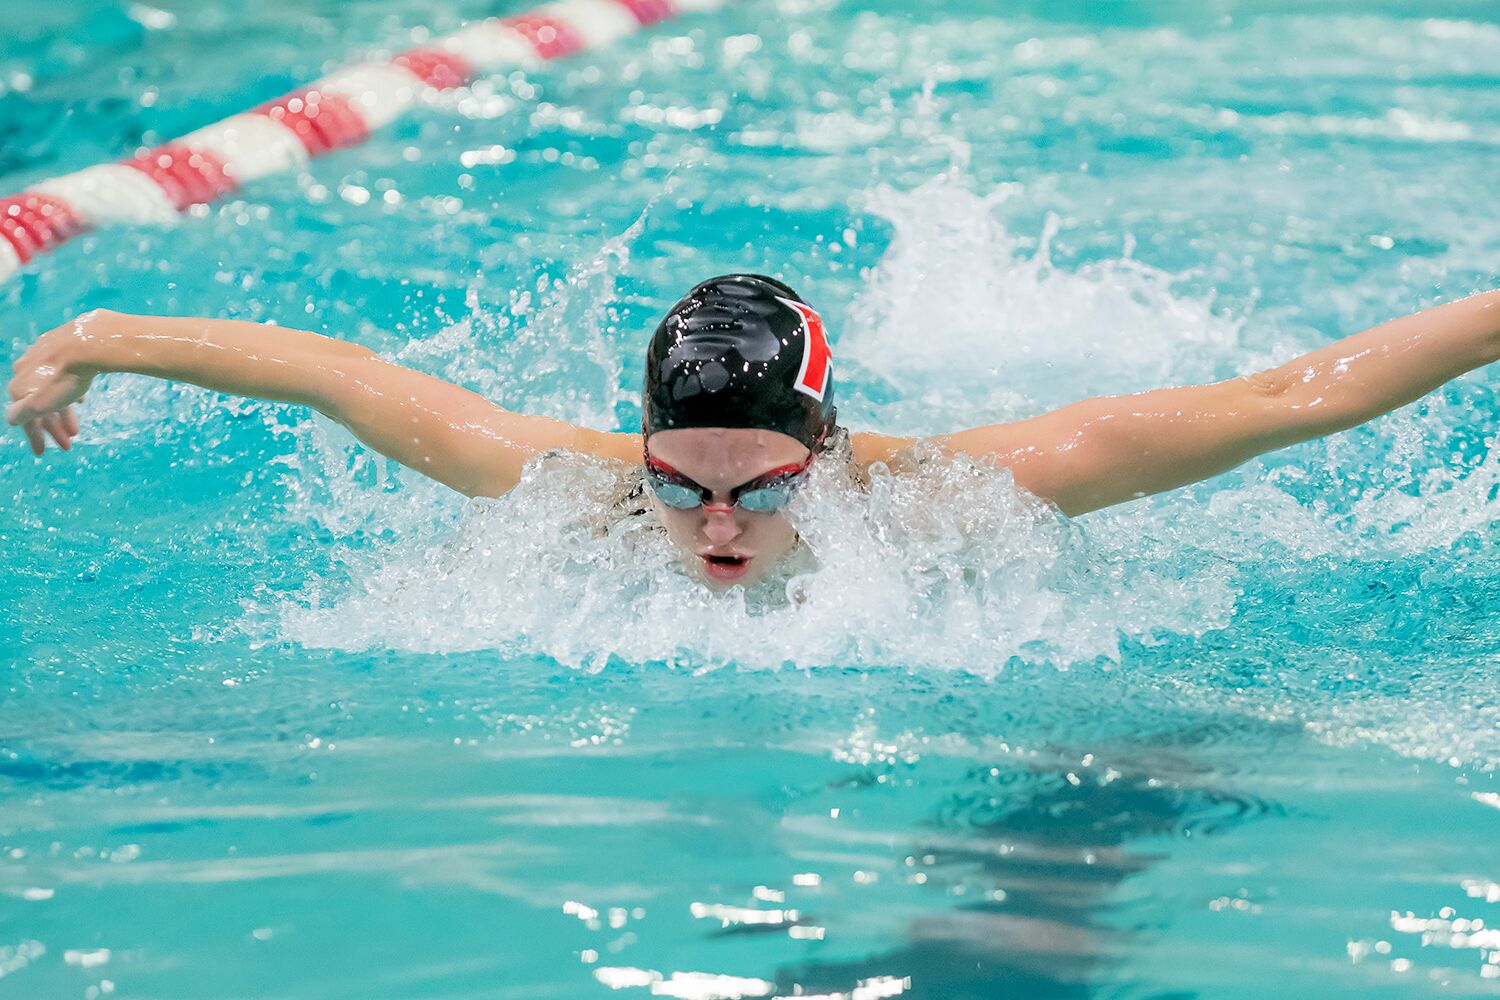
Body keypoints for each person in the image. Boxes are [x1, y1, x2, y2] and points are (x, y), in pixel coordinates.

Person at [7, 273, 1499, 589]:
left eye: (761, 494)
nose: (715, 527)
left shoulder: (961, 496)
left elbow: (1287, 399)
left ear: (826, 453)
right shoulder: (576, 491)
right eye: (680, 486)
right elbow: (331, 371)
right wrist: (83, 341)